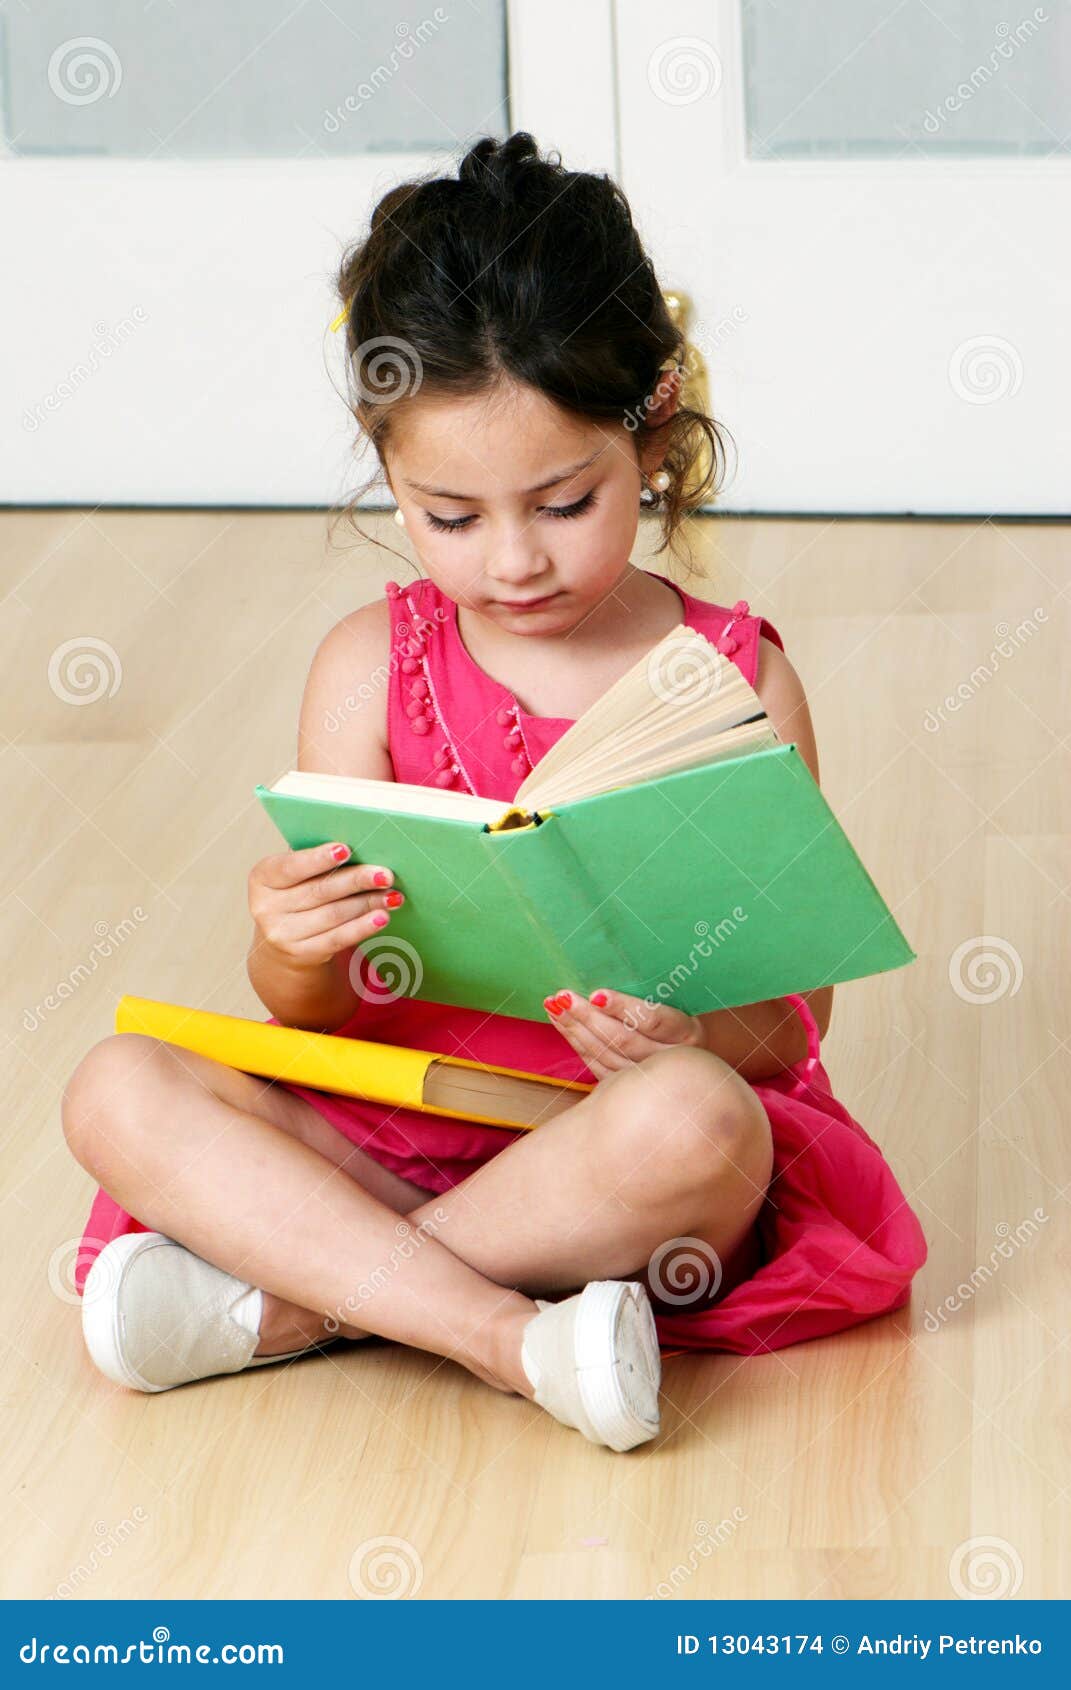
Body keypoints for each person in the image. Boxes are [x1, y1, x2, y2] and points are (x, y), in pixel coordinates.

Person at [62, 132, 926, 1454]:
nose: (514, 561)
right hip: (392, 1122)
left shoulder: (736, 680)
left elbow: (787, 1032)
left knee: (703, 1124)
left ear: (652, 425)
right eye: (451, 517)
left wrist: (691, 1037)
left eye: (565, 502)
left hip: (605, 1162)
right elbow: (318, 1006)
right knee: (114, 1088)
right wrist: (288, 943)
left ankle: (300, 1301)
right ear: (389, 471)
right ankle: (509, 1335)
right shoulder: (368, 665)